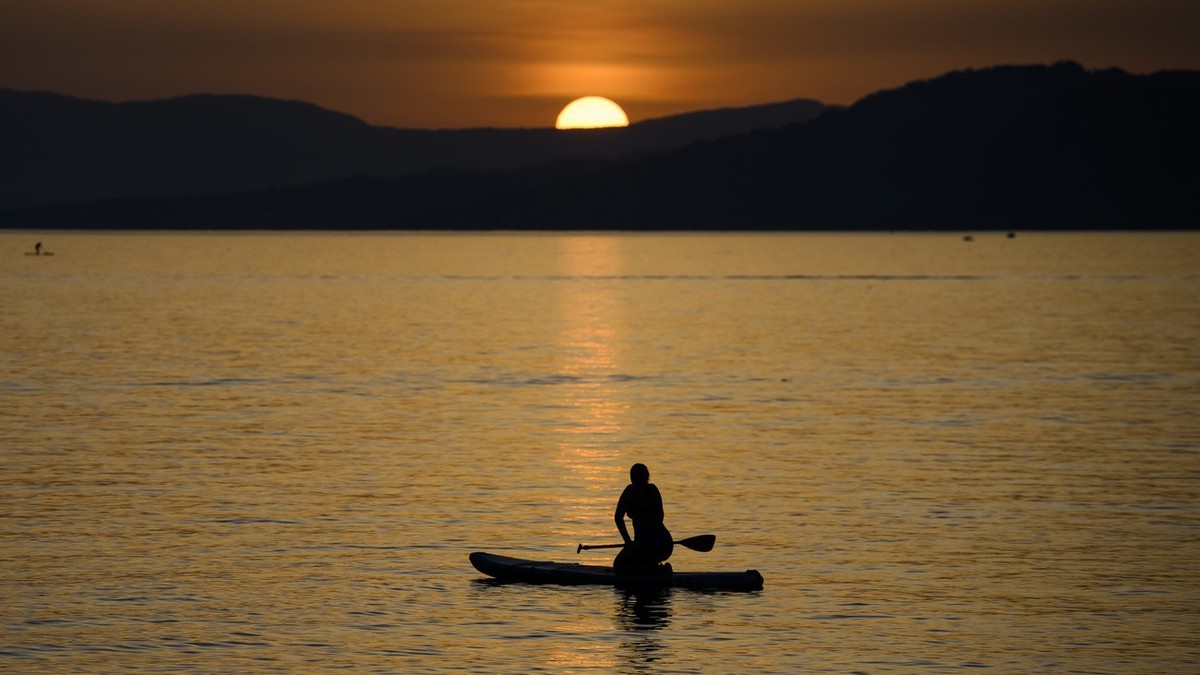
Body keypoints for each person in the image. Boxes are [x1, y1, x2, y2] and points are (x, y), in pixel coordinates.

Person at [613, 463, 673, 574]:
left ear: (632, 477)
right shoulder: (653, 490)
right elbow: (660, 517)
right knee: (643, 559)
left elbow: (618, 518)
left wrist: (628, 541)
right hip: (665, 543)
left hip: (644, 544)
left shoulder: (630, 491)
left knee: (618, 565)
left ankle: (644, 571)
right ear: (647, 476)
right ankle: (656, 568)